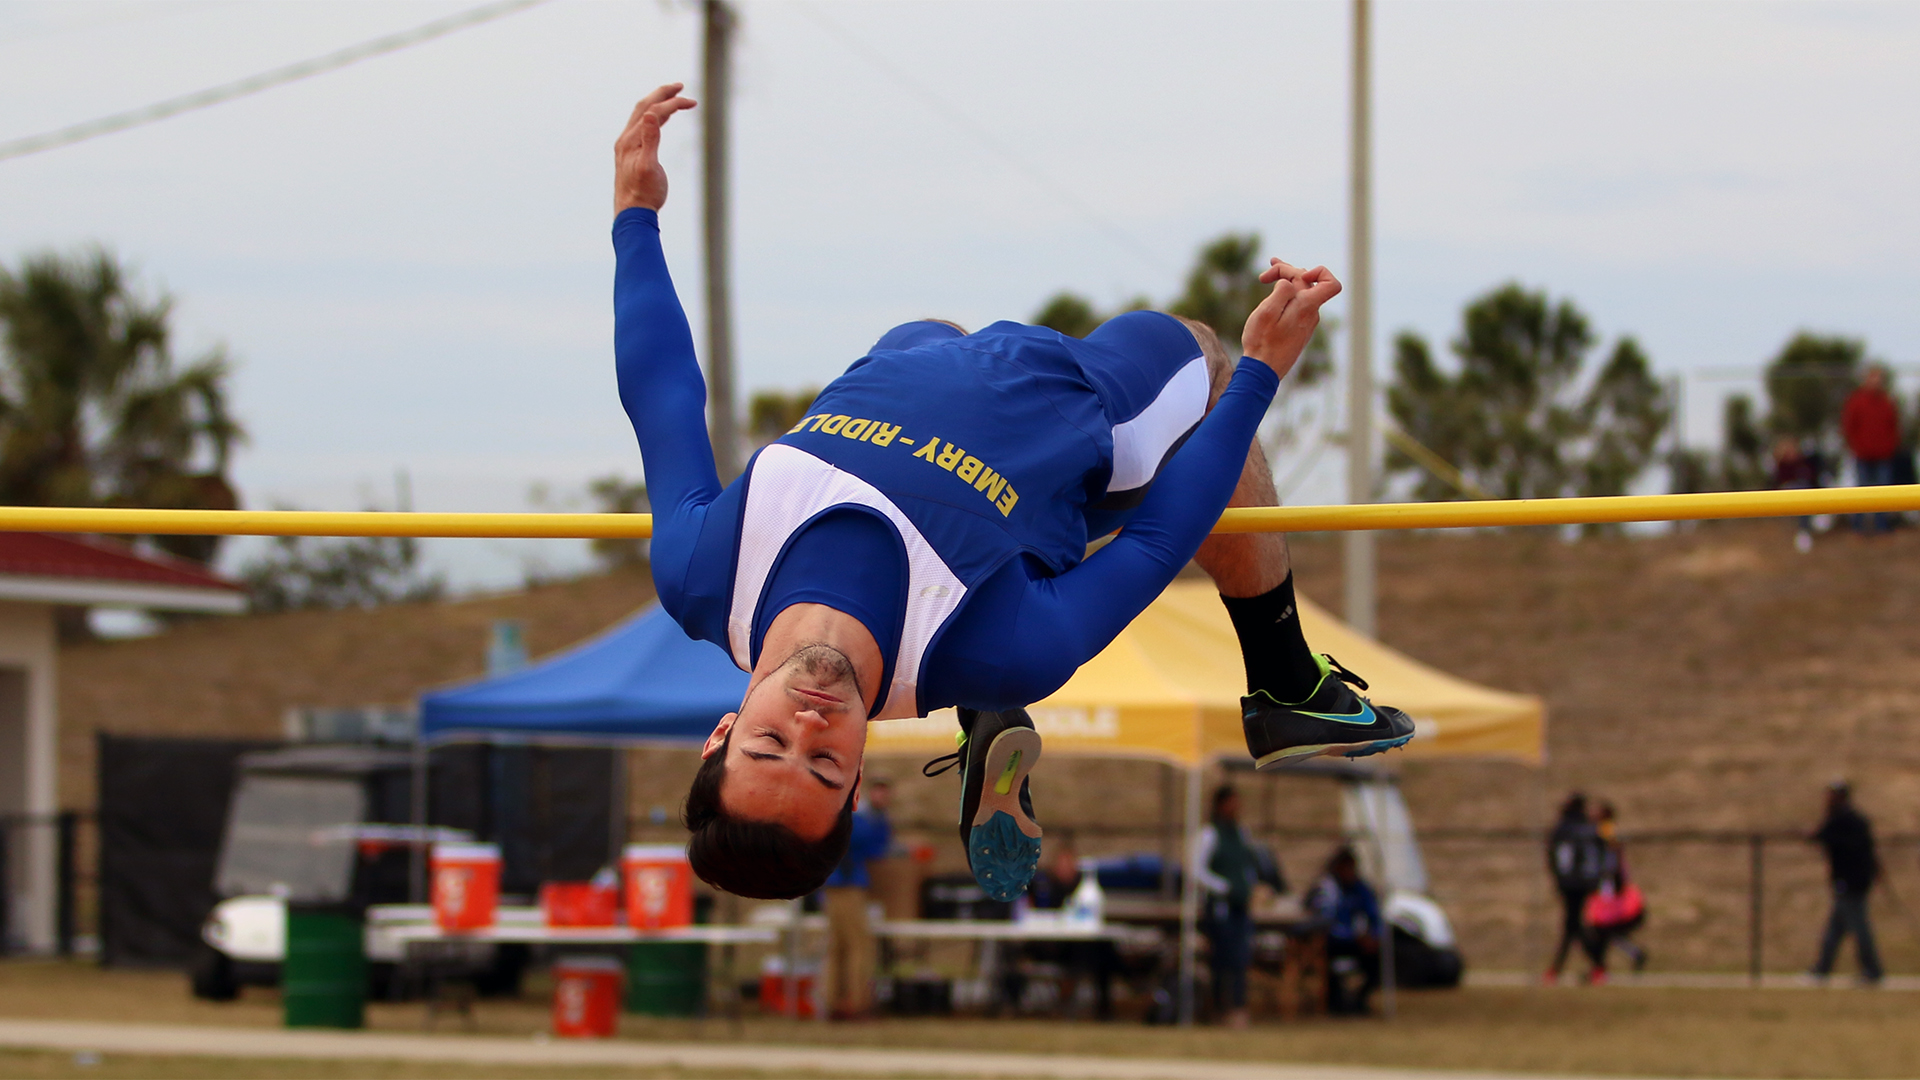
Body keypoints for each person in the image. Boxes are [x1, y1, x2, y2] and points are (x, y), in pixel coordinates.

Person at [611, 84, 1413, 902]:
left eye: (770, 745)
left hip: (907, 367)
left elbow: (663, 396)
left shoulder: (703, 575)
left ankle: (986, 713)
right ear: (857, 779)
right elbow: (1156, 541)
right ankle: (1281, 678)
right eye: (822, 764)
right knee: (1198, 364)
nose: (809, 726)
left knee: (927, 333)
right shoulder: (1003, 644)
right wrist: (1258, 373)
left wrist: (635, 218)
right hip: (1078, 406)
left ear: (721, 735)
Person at [1195, 786, 1279, 1028]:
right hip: (1220, 906)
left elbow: (1247, 865)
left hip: (1241, 905)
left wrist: (1253, 888)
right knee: (1222, 958)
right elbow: (1196, 869)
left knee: (1241, 957)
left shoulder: (1241, 833)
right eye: (1231, 803)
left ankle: (1238, 1007)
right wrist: (1222, 887)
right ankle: (1220, 1007)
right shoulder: (1209, 835)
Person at [1013, 840, 1118, 1020]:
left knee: (1101, 949)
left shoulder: (1083, 887)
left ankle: (1101, 1007)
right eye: (1062, 864)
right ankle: (1025, 1004)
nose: (1066, 869)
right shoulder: (1042, 886)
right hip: (1047, 943)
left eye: (1070, 864)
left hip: (1074, 944)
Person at [819, 778, 891, 1019]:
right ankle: (857, 1002)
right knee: (859, 946)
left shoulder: (848, 812)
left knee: (838, 946)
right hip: (846, 884)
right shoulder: (857, 816)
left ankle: (833, 1000)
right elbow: (871, 845)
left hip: (836, 883)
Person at [1810, 780, 1883, 984]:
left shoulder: (1845, 820)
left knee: (1858, 928)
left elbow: (1823, 836)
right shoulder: (1850, 820)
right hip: (1849, 881)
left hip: (1850, 882)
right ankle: (1822, 969)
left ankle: (1872, 970)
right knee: (1835, 928)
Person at [1308, 847, 1381, 1015]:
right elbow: (1326, 921)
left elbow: (1374, 915)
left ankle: (1359, 1000)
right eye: (1346, 868)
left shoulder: (1360, 888)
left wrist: (1374, 936)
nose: (1350, 872)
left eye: (1353, 868)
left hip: (1358, 942)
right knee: (1326, 957)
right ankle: (1336, 1003)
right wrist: (1354, 938)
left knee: (1380, 957)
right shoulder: (1328, 888)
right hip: (1333, 942)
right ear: (1337, 868)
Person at [1544, 792, 1606, 985]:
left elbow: (1553, 858)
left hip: (1570, 884)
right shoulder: (1589, 829)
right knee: (1573, 926)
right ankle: (1592, 967)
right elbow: (1600, 856)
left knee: (1573, 926)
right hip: (1584, 884)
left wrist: (1559, 880)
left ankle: (1561, 969)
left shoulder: (1563, 829)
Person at [1584, 802, 1647, 978]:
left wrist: (1610, 879)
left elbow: (1612, 856)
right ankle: (1629, 955)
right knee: (1603, 930)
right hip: (1608, 883)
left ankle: (1601, 967)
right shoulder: (1603, 829)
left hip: (1609, 884)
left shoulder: (1606, 830)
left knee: (1601, 927)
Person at [1841, 366, 1901, 535]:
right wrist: (1856, 447)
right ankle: (1859, 528)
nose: (1876, 382)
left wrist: (1890, 447)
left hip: (1883, 455)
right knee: (1861, 492)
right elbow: (1849, 426)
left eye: (1878, 378)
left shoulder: (1887, 401)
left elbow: (1894, 426)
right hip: (1862, 455)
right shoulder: (1857, 401)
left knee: (1883, 493)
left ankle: (1882, 527)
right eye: (1873, 378)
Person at [1769, 437, 1818, 553]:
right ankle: (1806, 528)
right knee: (1802, 491)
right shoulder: (1782, 465)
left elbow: (1810, 477)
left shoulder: (1802, 462)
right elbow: (1777, 482)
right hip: (1788, 491)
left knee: (1804, 493)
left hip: (1803, 492)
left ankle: (1806, 527)